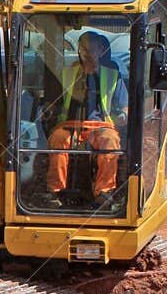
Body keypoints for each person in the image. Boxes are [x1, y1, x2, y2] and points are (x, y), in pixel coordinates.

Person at [45, 31, 126, 199]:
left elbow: (126, 106)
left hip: (101, 126)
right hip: (69, 125)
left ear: (102, 50)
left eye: (91, 49)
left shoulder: (113, 76)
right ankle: (55, 192)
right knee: (58, 140)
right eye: (83, 49)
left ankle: (104, 192)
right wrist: (48, 110)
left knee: (110, 141)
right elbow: (52, 104)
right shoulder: (67, 74)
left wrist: (123, 115)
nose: (87, 54)